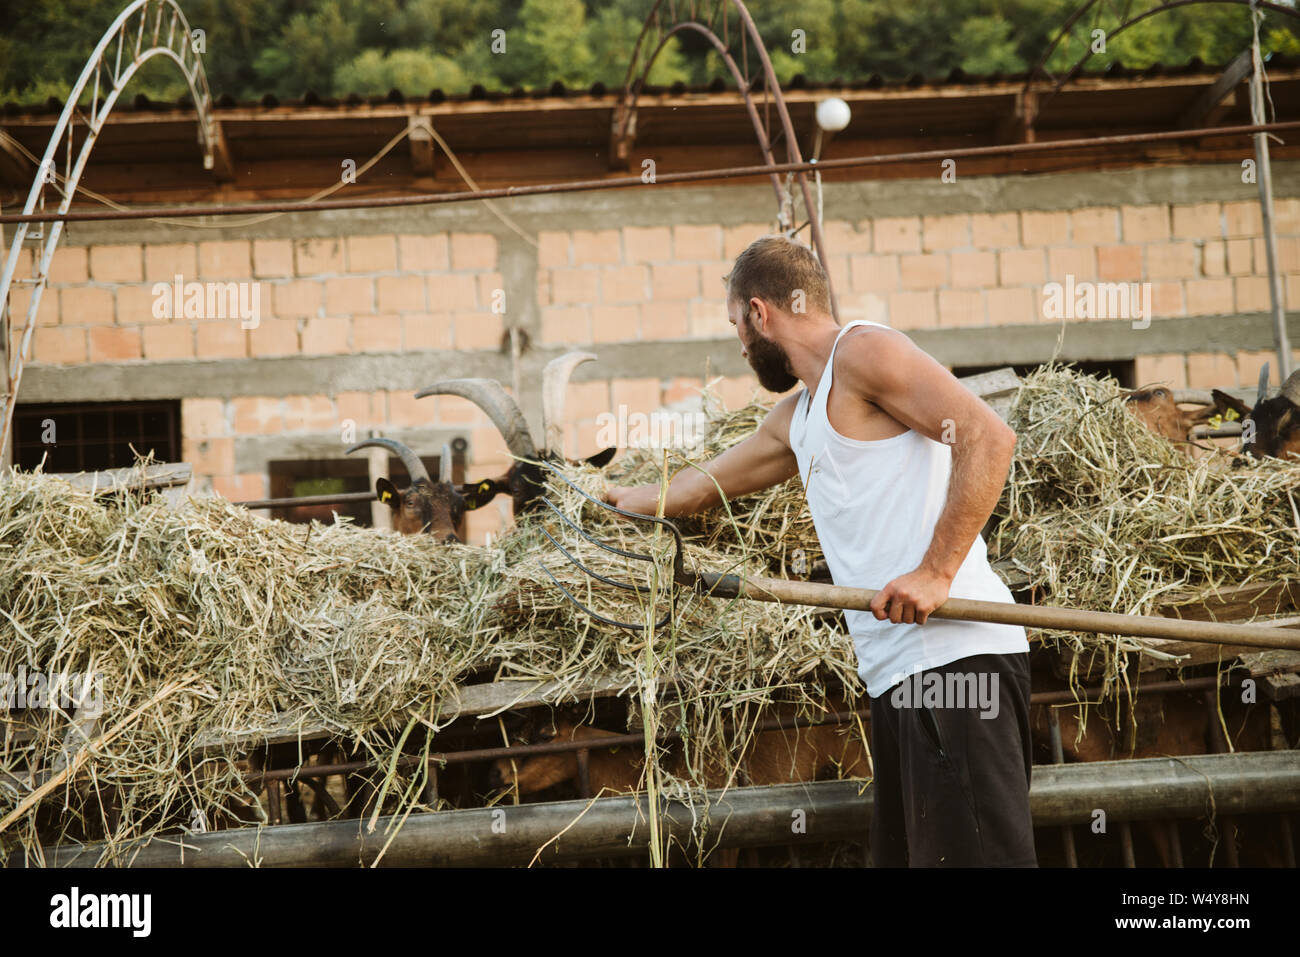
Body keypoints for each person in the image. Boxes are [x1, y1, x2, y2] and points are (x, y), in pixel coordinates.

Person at [605, 234, 1036, 867]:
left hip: (959, 661)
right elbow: (695, 491)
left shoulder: (866, 352)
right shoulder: (798, 417)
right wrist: (606, 496)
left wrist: (936, 572)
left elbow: (988, 436)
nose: (741, 345)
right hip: (897, 677)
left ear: (759, 313)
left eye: (736, 328)